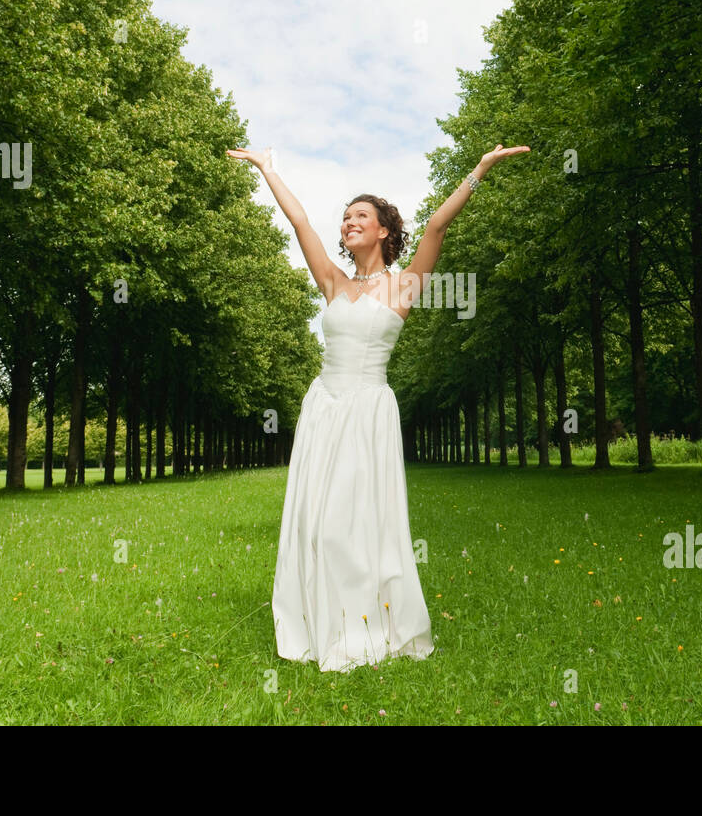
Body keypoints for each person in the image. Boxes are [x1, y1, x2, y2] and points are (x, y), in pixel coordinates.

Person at [226, 142, 531, 672]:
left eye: (360, 216)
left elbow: (436, 227)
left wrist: (479, 171)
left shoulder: (404, 286)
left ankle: (365, 624)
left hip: (368, 412)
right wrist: (267, 170)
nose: (348, 223)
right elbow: (300, 224)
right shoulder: (333, 282)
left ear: (384, 230)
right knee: (316, 523)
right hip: (323, 407)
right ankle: (321, 618)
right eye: (345, 218)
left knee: (356, 522)